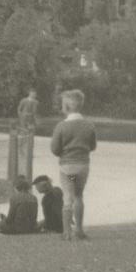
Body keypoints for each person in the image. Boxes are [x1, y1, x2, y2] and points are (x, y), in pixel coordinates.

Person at [50, 89, 97, 241]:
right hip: (83, 165)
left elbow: (55, 149)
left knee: (68, 197)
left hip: (67, 166)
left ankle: (67, 232)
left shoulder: (61, 126)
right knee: (79, 196)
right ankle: (79, 230)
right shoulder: (89, 125)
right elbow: (93, 146)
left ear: (67, 107)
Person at [17, 87, 40, 180]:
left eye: (35, 94)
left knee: (31, 136)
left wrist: (36, 120)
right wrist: (21, 117)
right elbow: (19, 109)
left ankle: (30, 151)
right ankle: (21, 150)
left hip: (31, 120)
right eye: (32, 93)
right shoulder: (24, 100)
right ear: (29, 93)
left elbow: (35, 113)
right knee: (23, 135)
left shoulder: (36, 102)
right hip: (24, 119)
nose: (33, 95)